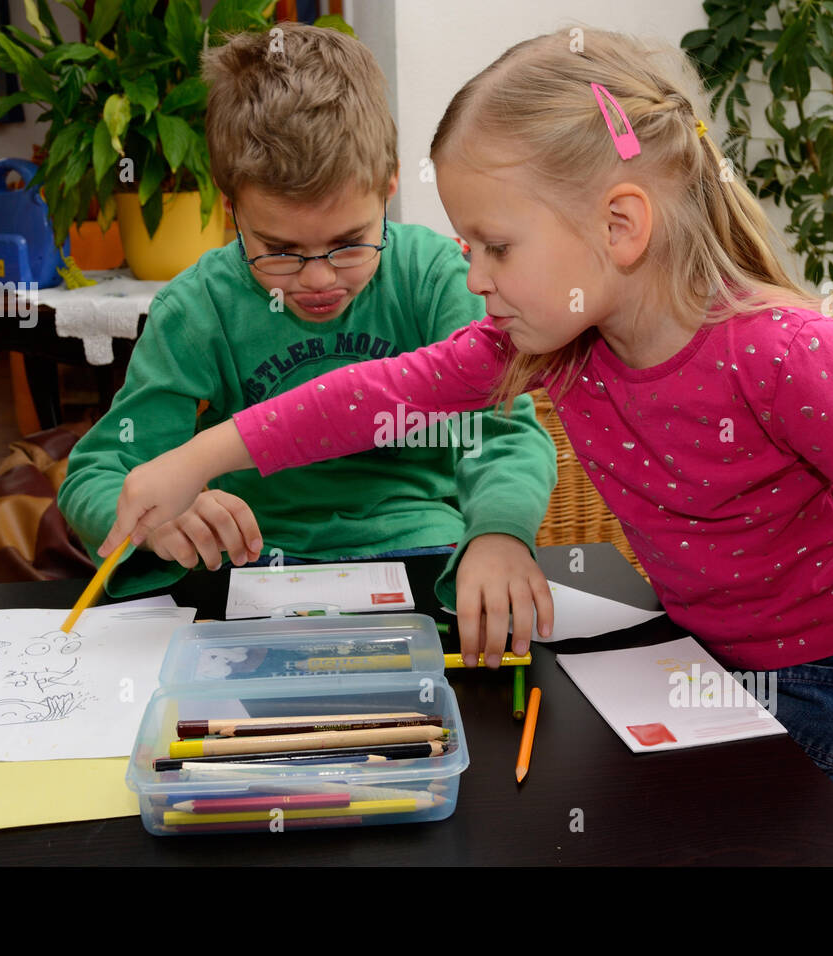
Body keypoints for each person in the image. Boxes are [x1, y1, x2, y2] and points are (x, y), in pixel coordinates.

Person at [99, 28, 833, 840]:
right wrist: (200, 454)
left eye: (494, 247)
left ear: (619, 226)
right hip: (699, 649)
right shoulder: (559, 339)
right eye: (465, 248)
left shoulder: (780, 352)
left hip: (830, 677)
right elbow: (370, 395)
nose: (473, 278)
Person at [59, 22, 557, 661]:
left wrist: (499, 532)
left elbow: (505, 436)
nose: (319, 278)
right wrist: (161, 528)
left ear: (389, 185)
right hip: (251, 577)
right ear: (231, 205)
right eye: (281, 250)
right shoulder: (197, 307)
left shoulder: (440, 279)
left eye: (350, 241)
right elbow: (100, 473)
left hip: (425, 563)